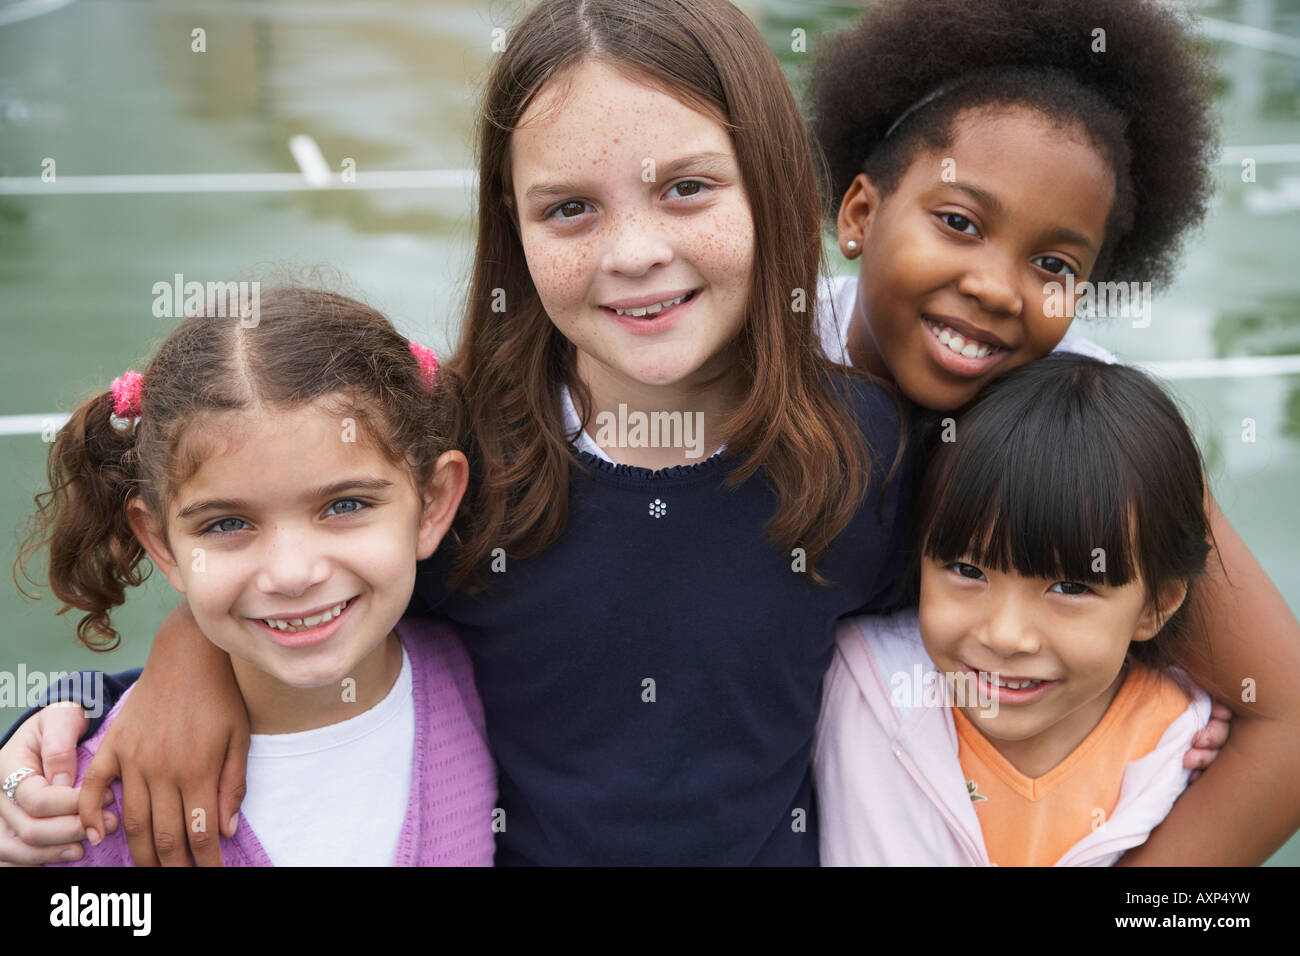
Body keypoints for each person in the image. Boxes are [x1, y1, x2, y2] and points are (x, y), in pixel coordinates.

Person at [0, 0, 910, 865]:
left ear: (774, 188)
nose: (634, 252)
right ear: (512, 229)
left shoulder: (871, 453)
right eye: (569, 209)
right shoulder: (459, 462)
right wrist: (174, 665)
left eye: (687, 188)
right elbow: (294, 585)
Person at [804, 0, 1299, 863]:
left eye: (1054, 265)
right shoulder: (755, 365)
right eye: (959, 221)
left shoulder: (1081, 421)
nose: (998, 288)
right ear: (857, 211)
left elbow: (1285, 714)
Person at [8, 288, 494, 866]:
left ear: (434, 503)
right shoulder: (88, 810)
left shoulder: (482, 677)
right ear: (161, 543)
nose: (292, 575)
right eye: (228, 523)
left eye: (345, 506)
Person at [817, 355, 1219, 865]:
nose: (1006, 636)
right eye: (968, 571)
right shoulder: (849, 682)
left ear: (1155, 606)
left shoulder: (1181, 747)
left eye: (1070, 587)